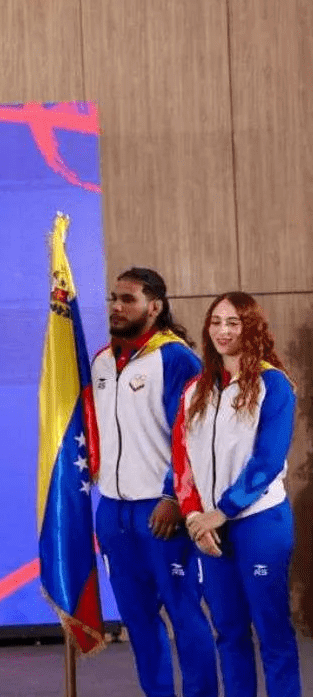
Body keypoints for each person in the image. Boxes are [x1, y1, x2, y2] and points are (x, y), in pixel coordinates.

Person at [91, 267, 217, 697]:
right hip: (113, 511)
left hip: (162, 508)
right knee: (138, 620)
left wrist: (172, 495)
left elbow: (195, 435)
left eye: (128, 299)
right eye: (113, 298)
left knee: (184, 613)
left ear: (155, 307)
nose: (117, 306)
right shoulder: (102, 361)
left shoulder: (177, 358)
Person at [172, 292, 301, 697]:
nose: (223, 331)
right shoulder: (195, 389)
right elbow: (181, 460)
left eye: (233, 322)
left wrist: (222, 511)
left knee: (272, 631)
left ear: (251, 327)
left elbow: (267, 460)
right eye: (216, 322)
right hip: (209, 529)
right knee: (228, 632)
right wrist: (195, 517)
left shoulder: (273, 384)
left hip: (260, 523)